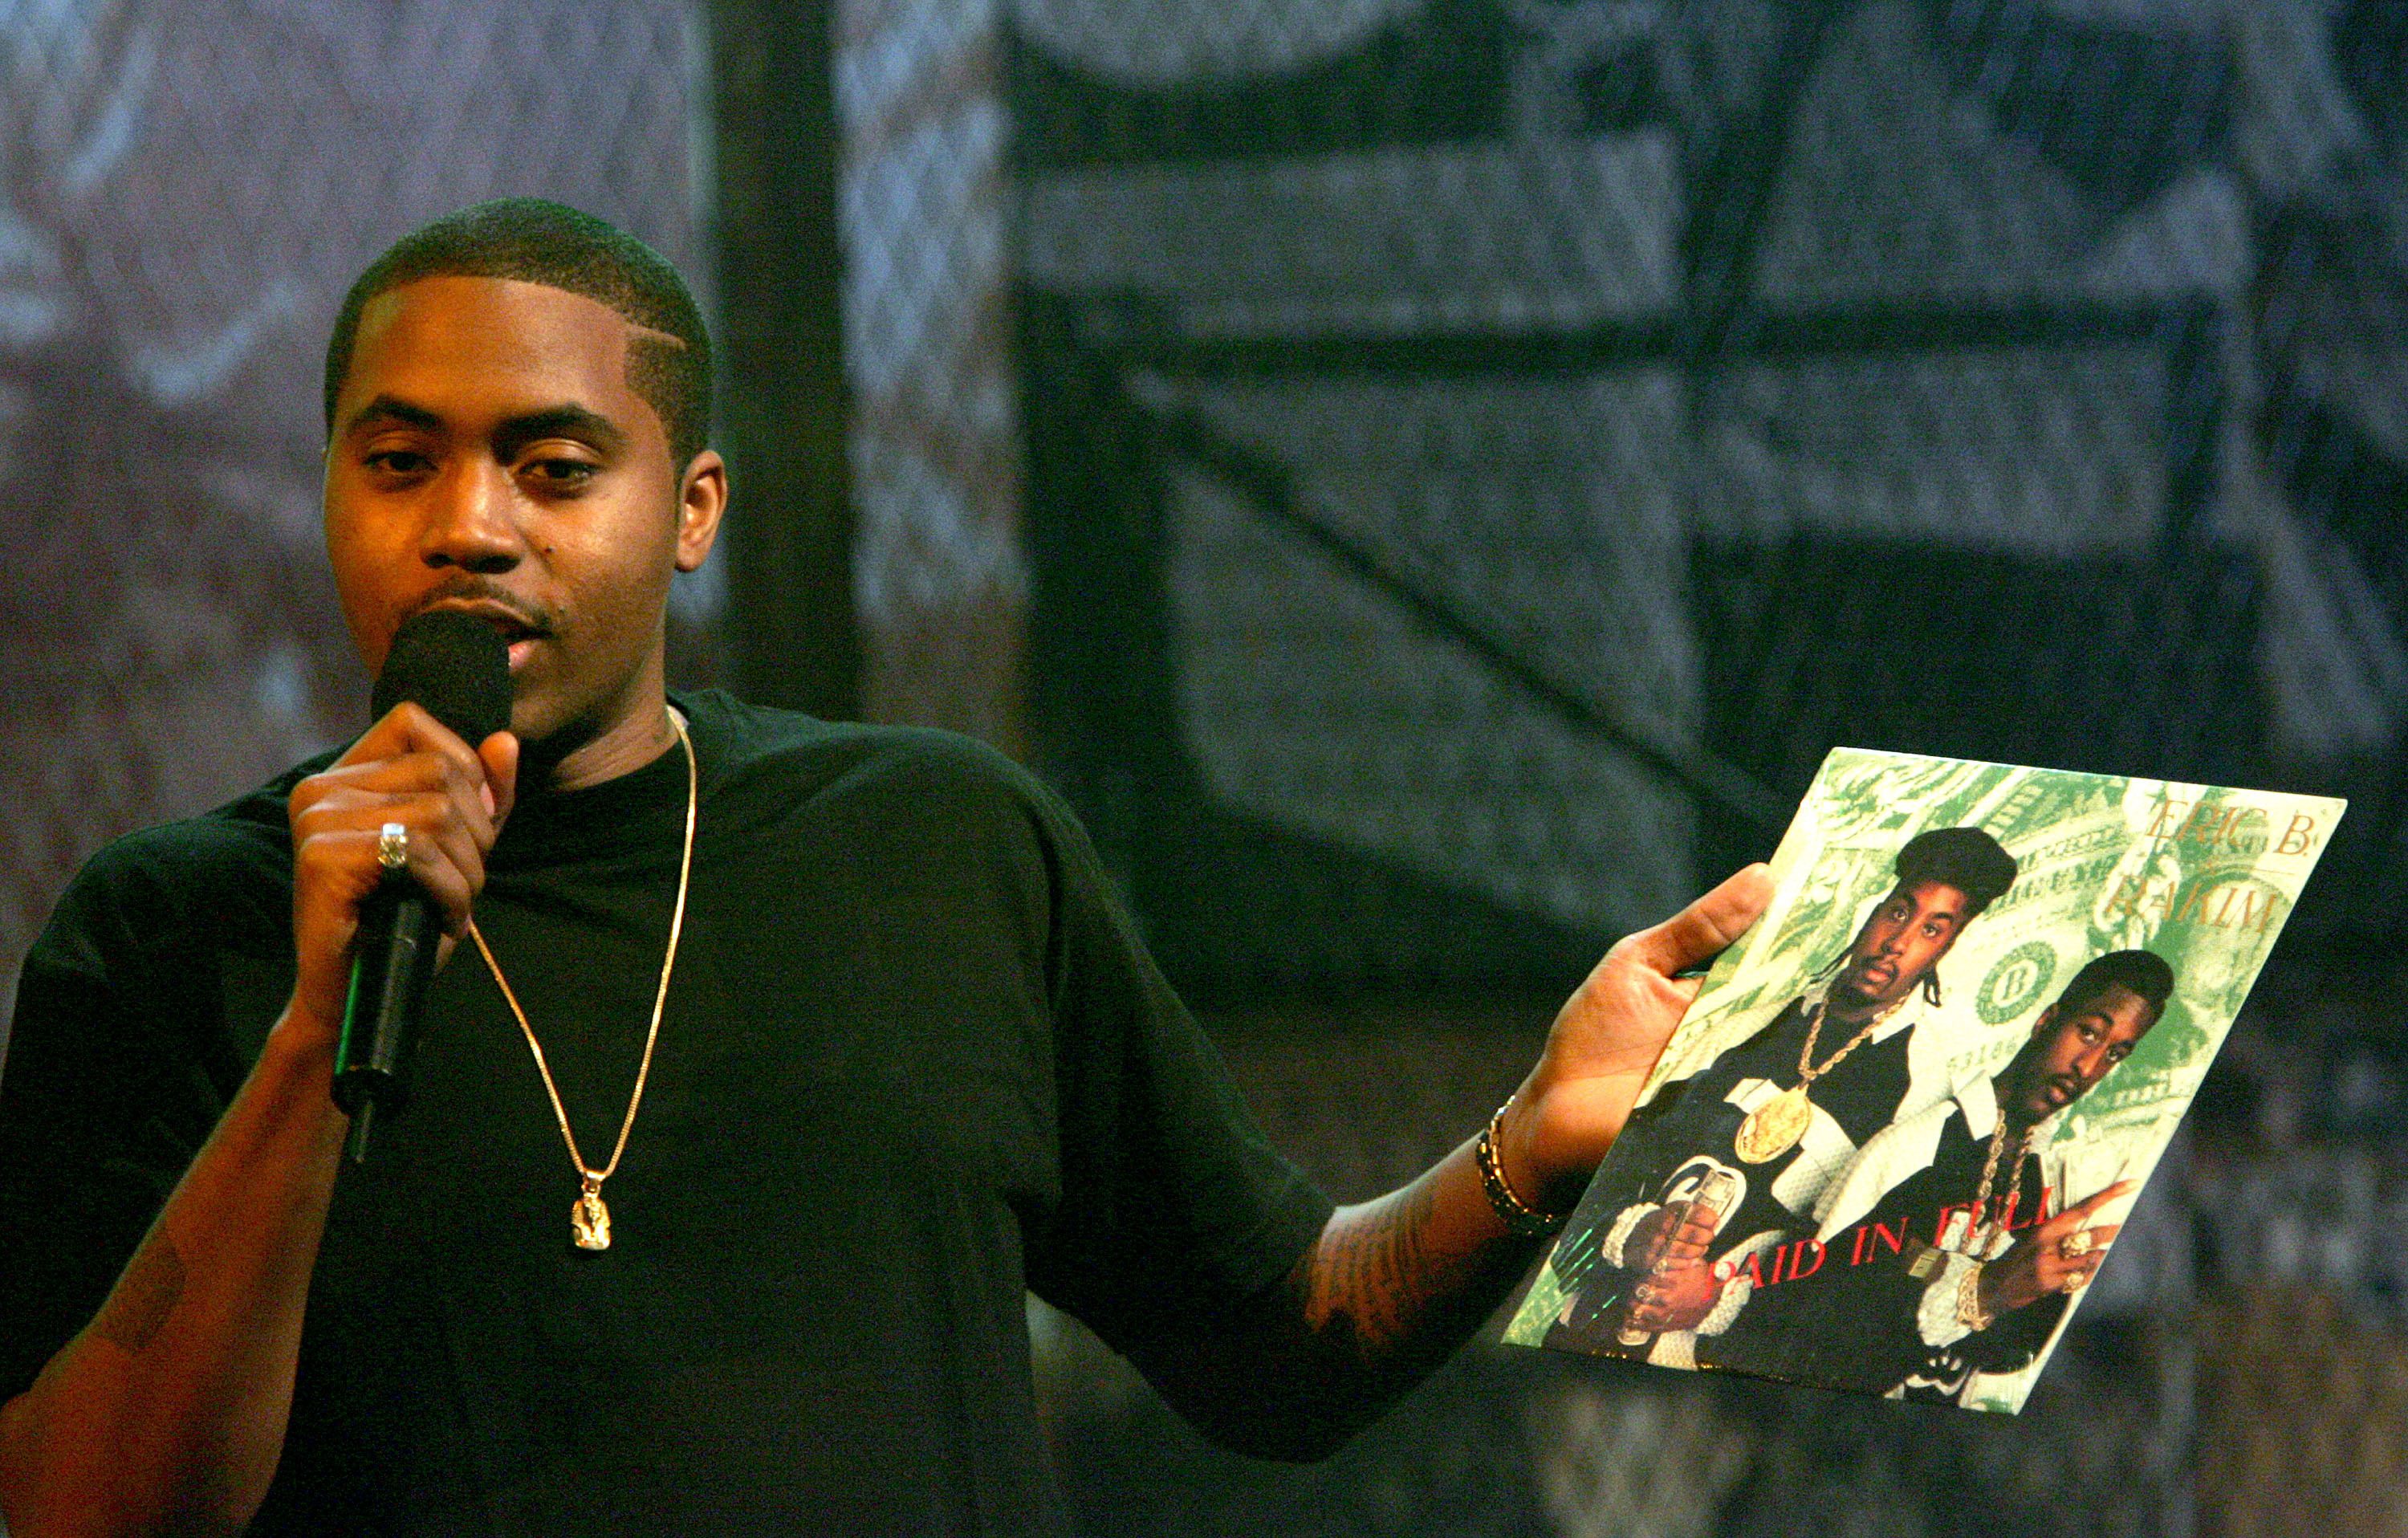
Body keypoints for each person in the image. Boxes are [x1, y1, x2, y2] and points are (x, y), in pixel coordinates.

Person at [0, 198, 1772, 1536]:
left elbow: (1280, 1338)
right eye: (400, 462)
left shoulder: (939, 845)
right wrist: (317, 1033)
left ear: (691, 511)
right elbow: (77, 1509)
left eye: (553, 467)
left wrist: (1534, 1141)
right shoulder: (171, 931)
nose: (467, 525)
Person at [1546, 826, 2018, 1369]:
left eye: (1932, 929)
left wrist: (1717, 1295)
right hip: (1583, 1321)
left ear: (1947, 949)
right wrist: (1633, 1233)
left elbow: (1854, 1268)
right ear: (1872, 911)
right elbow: (1623, 1146)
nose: (1898, 941)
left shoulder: (1924, 1089)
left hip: (1710, 1366)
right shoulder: (1750, 1019)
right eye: (1897, 913)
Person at [1709, 948, 2174, 1402]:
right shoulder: (1914, 1147)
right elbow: (1791, 1314)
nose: (2088, 1067)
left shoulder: (2044, 1178)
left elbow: (2011, 1354)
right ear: (2046, 1021)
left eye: (2115, 1054)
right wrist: (1981, 1292)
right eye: (2089, 1033)